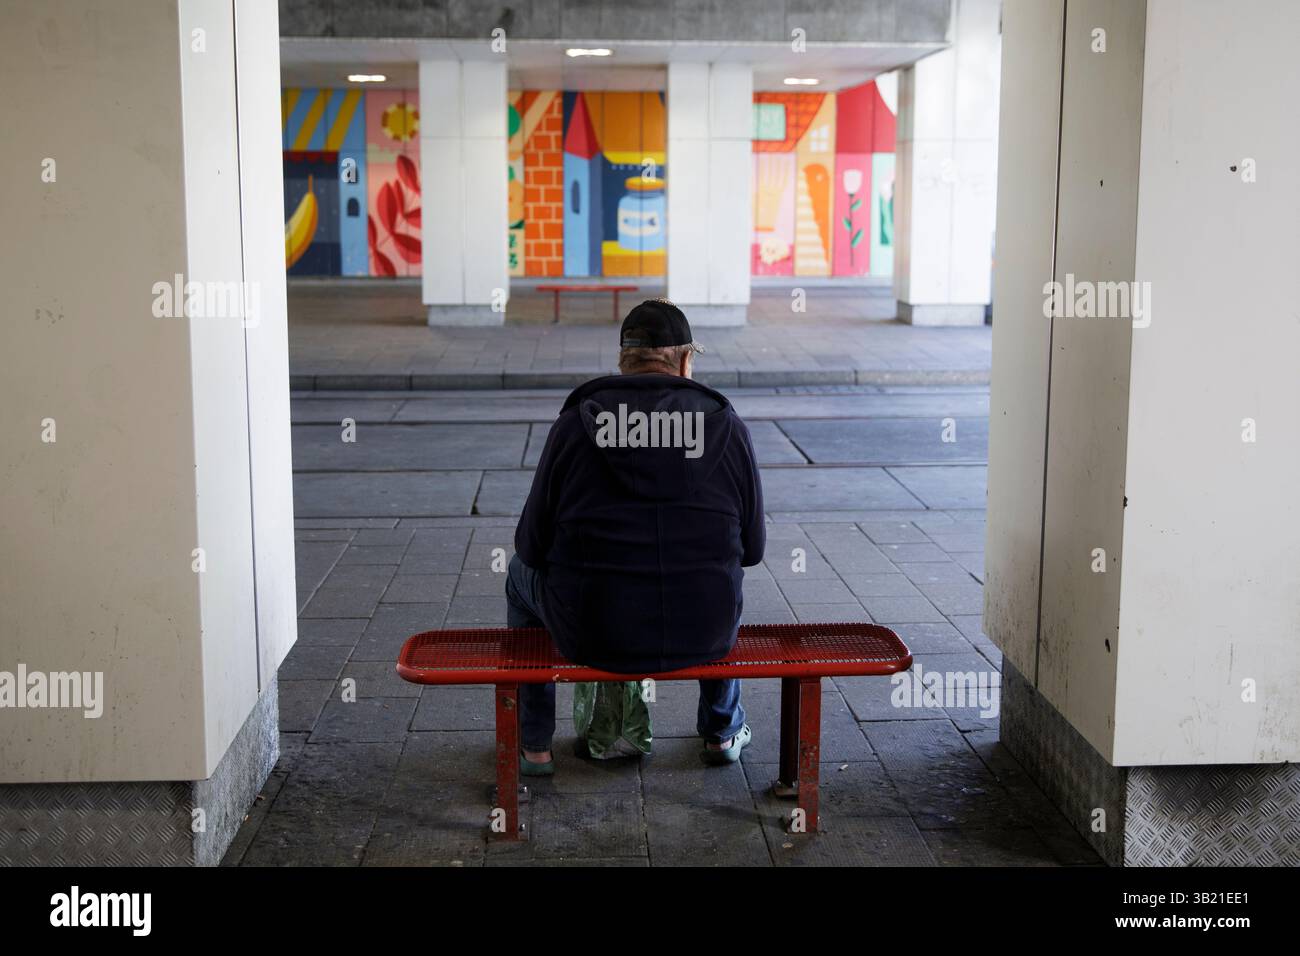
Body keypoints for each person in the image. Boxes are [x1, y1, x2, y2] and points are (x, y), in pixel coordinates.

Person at [506, 298, 766, 775]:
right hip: (703, 630)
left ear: (624, 362)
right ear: (686, 360)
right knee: (720, 573)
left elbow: (531, 545)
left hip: (591, 630)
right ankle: (722, 732)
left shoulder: (575, 425)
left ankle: (534, 745)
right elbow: (753, 551)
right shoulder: (727, 427)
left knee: (518, 575)